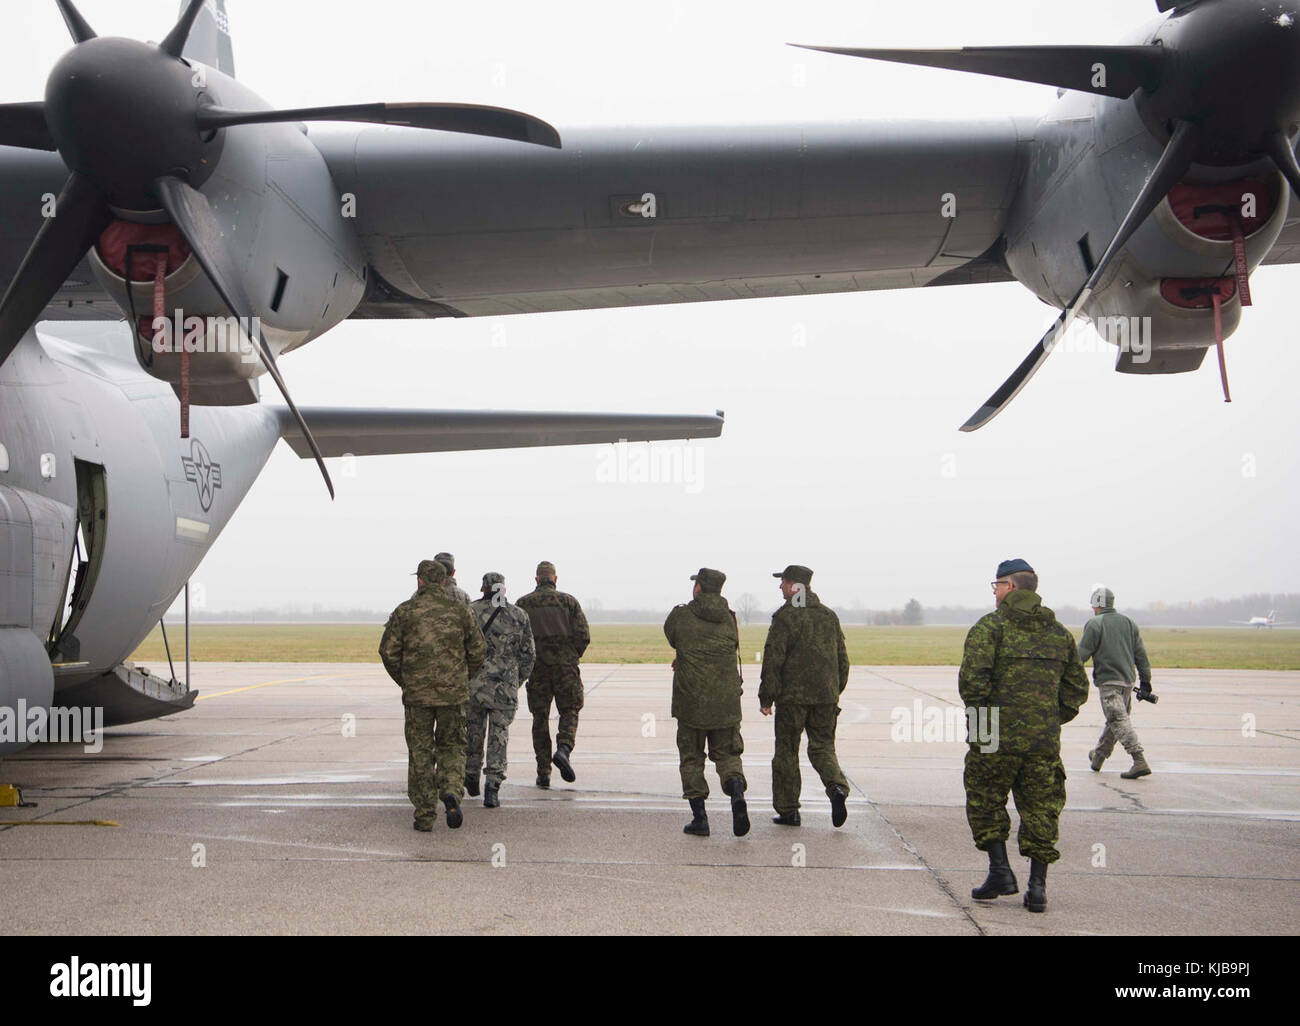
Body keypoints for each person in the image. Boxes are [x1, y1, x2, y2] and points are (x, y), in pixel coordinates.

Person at [959, 559, 1089, 913]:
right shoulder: (1059, 633)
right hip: (1041, 738)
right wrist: (1045, 719)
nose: (995, 592)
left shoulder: (990, 628)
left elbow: (972, 684)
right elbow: (1077, 688)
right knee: (1041, 809)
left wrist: (988, 724)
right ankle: (1037, 886)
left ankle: (1000, 871)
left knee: (985, 800)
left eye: (997, 585)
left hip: (993, 733)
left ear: (1011, 587)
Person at [379, 559, 486, 831]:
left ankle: (425, 814)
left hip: (418, 697)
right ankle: (451, 791)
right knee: (452, 746)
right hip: (453, 696)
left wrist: (405, 680)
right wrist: (461, 678)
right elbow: (477, 651)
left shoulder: (405, 612)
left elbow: (388, 651)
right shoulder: (461, 611)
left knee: (420, 752)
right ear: (443, 581)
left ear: (420, 581)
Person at [758, 564, 851, 829]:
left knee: (786, 752)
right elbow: (842, 661)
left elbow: (773, 661)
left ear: (794, 586)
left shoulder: (786, 617)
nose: (780, 587)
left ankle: (789, 811)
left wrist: (767, 698)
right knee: (822, 747)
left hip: (792, 700)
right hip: (825, 697)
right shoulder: (828, 616)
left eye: (783, 582)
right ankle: (836, 787)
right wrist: (833, 690)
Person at [663, 568, 749, 837]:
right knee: (728, 755)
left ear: (698, 587)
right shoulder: (730, 618)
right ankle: (736, 792)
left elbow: (672, 636)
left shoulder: (681, 616)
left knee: (691, 758)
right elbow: (729, 647)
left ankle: (700, 819)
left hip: (692, 702)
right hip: (725, 702)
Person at [516, 561, 589, 787]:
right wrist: (569, 655)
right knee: (569, 711)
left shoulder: (523, 604)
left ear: (537, 579)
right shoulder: (569, 602)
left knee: (540, 719)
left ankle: (543, 772)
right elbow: (583, 636)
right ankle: (564, 749)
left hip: (537, 670)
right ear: (555, 579)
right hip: (565, 669)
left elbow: (517, 639)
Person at [465, 572, 536, 807]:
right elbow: (528, 655)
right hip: (504, 688)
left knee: (473, 732)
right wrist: (516, 681)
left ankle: (471, 775)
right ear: (503, 589)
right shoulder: (518, 615)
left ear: (483, 588)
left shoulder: (471, 611)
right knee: (499, 735)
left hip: (474, 687)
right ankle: (493, 786)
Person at [1079, 585, 1153, 779]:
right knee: (1115, 720)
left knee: (1118, 720)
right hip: (1128, 682)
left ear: (1097, 604)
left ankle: (1139, 760)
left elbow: (1081, 655)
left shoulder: (1095, 624)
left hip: (1109, 682)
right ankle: (1098, 757)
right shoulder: (1129, 623)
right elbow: (1141, 655)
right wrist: (1146, 681)